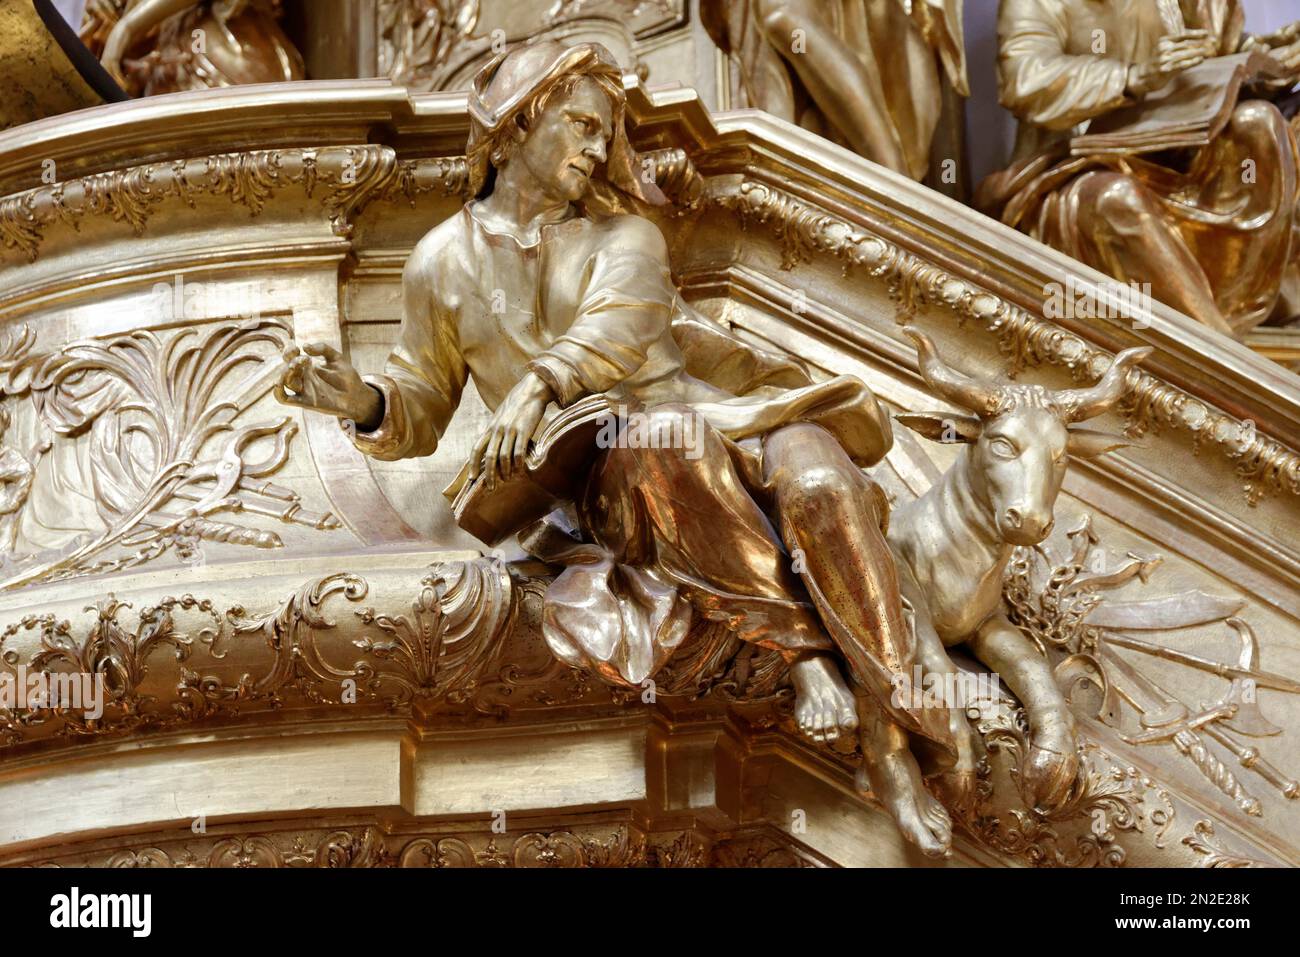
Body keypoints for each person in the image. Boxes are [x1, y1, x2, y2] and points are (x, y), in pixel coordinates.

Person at [276, 40, 965, 856]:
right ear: (520, 121)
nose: (599, 147)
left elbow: (620, 325)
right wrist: (355, 399)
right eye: (581, 125)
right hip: (609, 465)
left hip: (719, 410)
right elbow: (421, 403)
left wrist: (536, 385)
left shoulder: (625, 235)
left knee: (821, 478)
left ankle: (894, 724)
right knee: (664, 452)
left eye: (606, 133)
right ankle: (814, 661)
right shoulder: (441, 264)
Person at [977, 0, 1300, 337]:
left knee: (1259, 123)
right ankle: (1226, 356)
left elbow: (1221, 55)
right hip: (1073, 170)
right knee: (1116, 200)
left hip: (1182, 165)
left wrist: (1273, 54)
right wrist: (1132, 77)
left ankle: (1245, 304)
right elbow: (1024, 79)